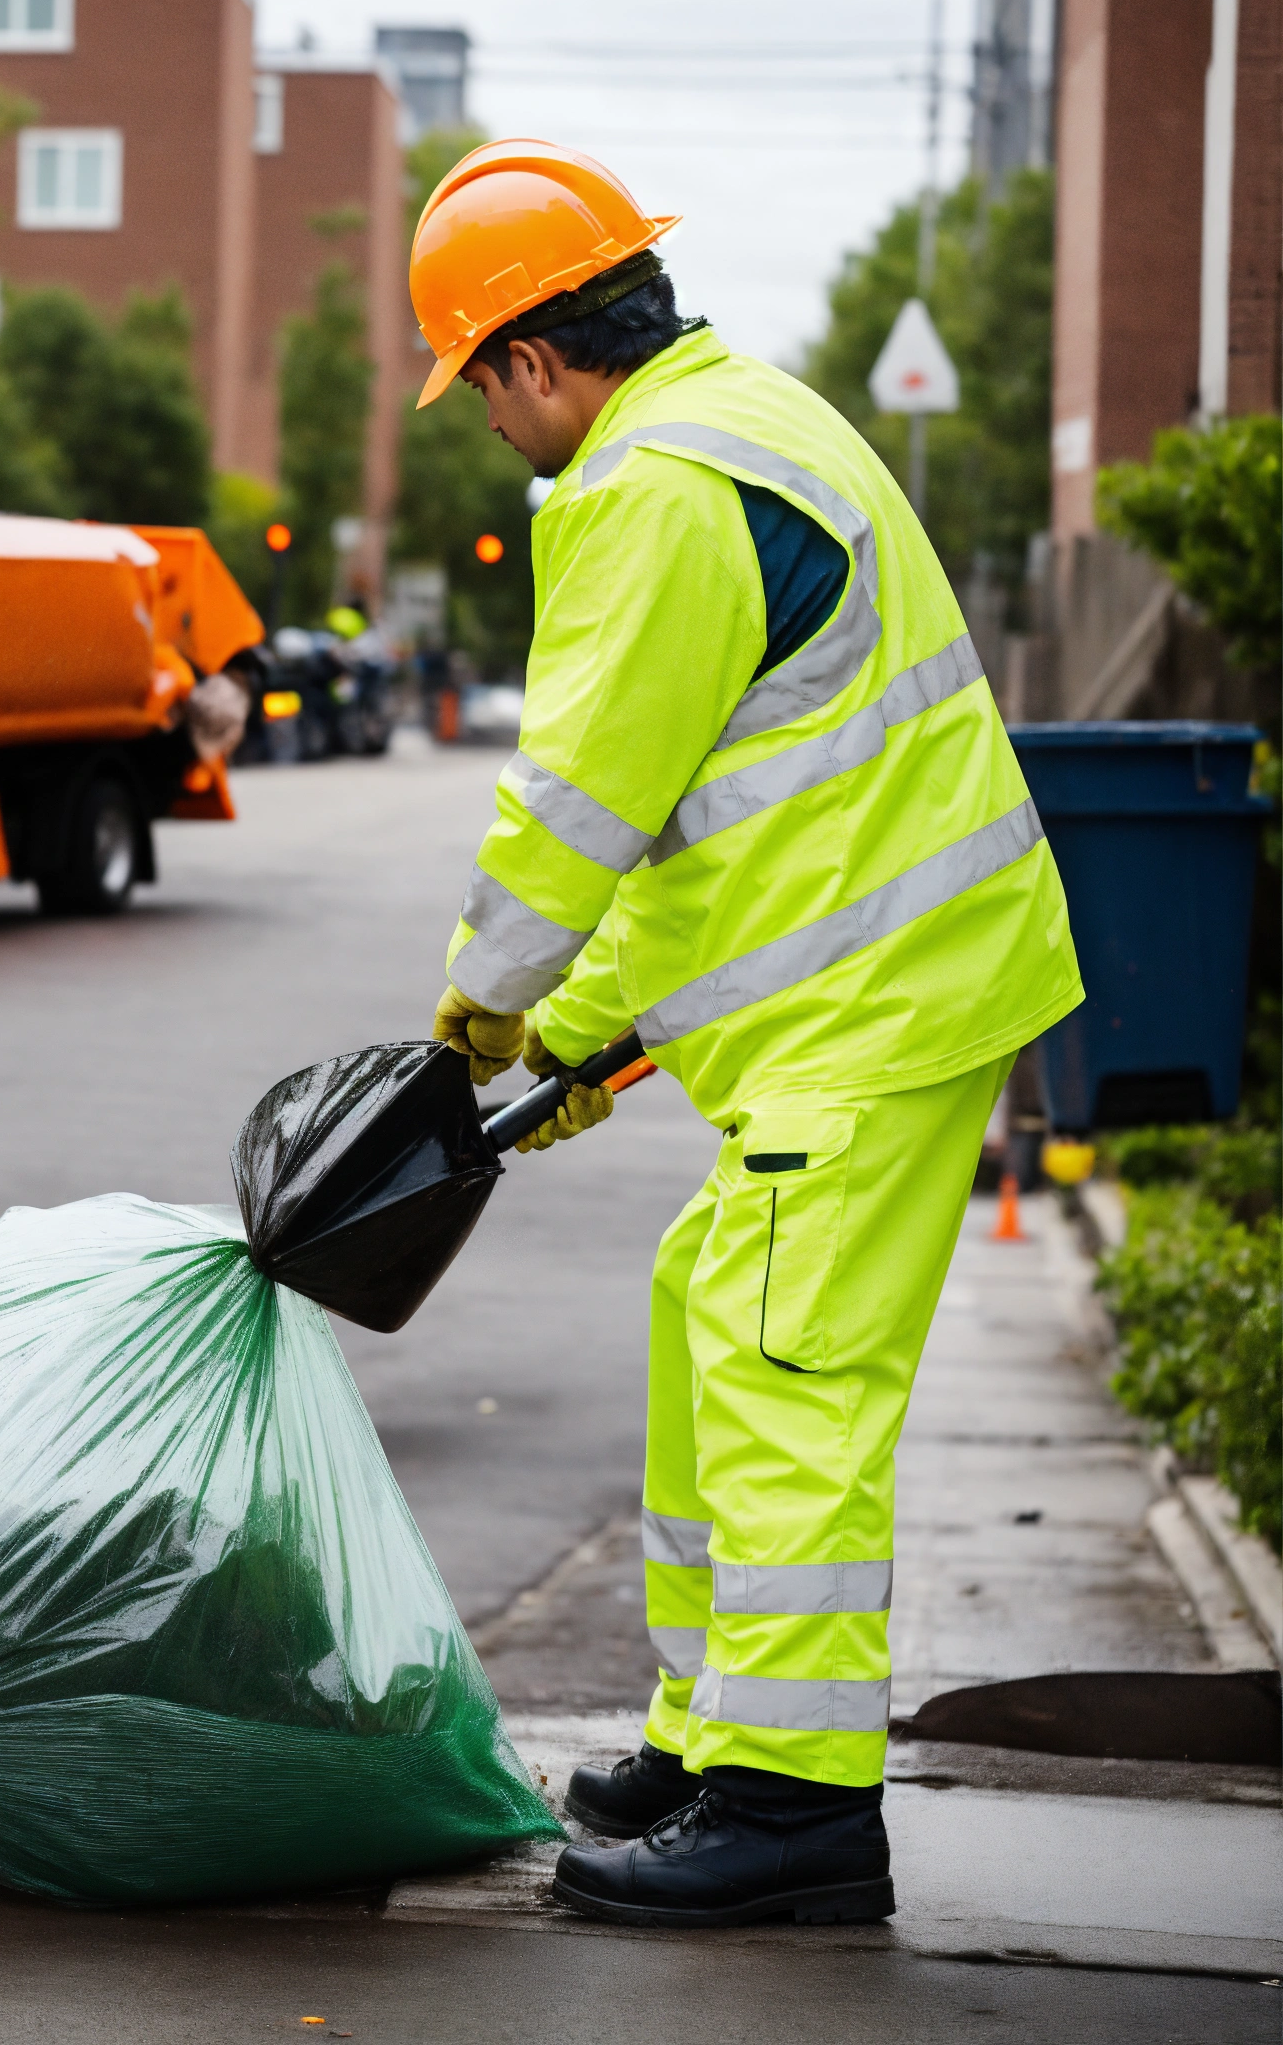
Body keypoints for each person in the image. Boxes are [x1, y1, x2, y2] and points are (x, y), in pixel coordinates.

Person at [412, 140, 1083, 1929]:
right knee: (711, 1320)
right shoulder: (746, 418)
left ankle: (794, 1816)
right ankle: (716, 1738)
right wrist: (573, 1040)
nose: (488, 427)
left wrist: (473, 1022)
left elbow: (578, 810)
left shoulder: (647, 489)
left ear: (529, 362)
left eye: (479, 390)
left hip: (871, 1015)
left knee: (787, 1383)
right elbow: (705, 819)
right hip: (882, 992)